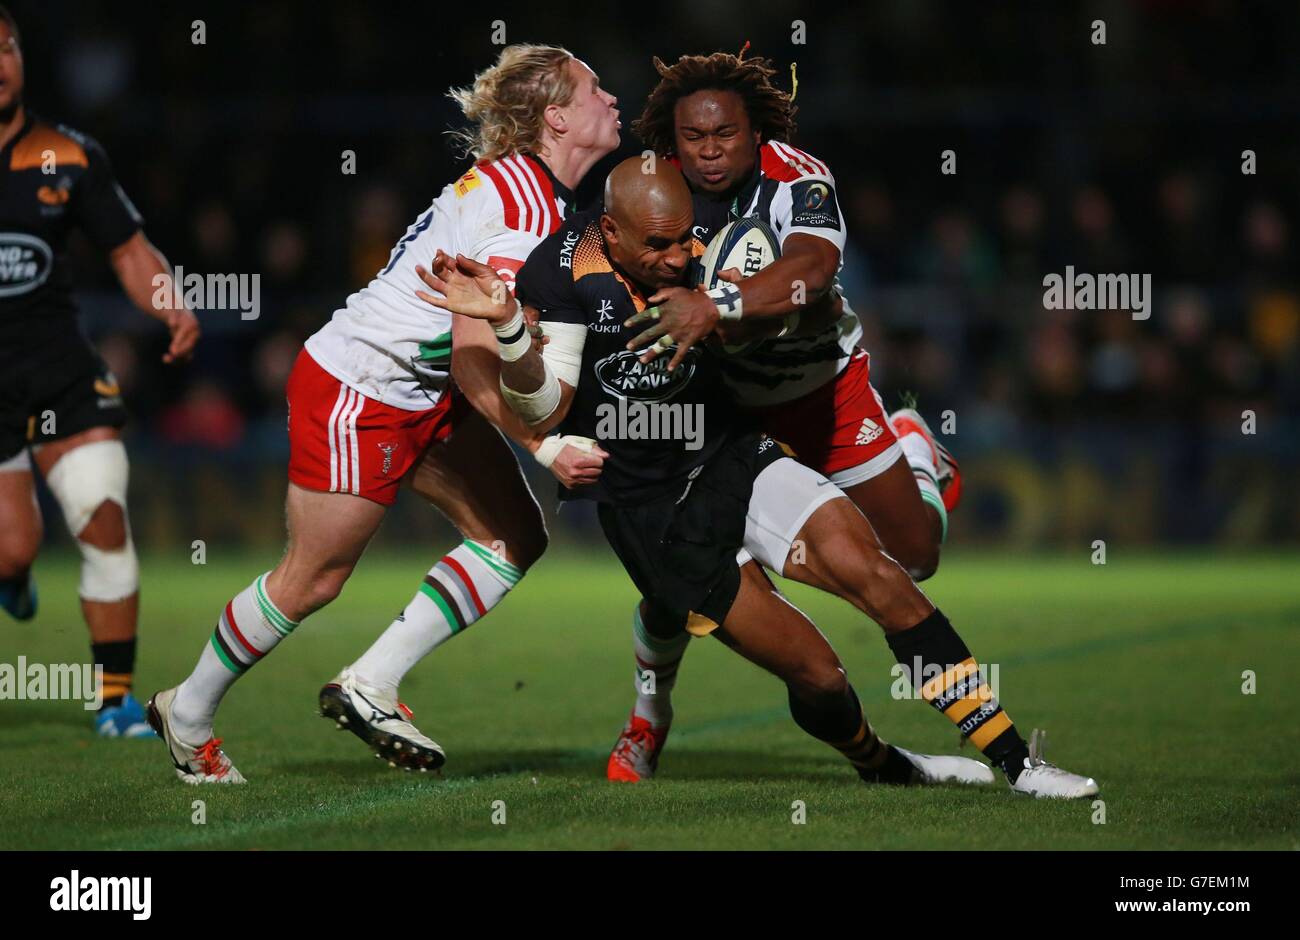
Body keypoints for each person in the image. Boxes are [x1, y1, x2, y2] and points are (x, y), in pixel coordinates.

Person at [424, 157, 1097, 797]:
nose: (677, 255)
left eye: (684, 238)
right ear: (610, 231)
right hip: (650, 512)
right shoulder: (562, 267)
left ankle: (1018, 763)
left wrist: (768, 309)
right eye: (657, 245)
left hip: (731, 455)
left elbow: (800, 287)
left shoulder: (710, 247)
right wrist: (511, 328)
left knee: (881, 576)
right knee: (821, 676)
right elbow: (548, 404)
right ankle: (883, 763)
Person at [146, 44, 620, 783]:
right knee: (312, 580)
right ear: (557, 117)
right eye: (596, 89)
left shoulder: (531, 194)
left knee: (515, 536)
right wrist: (543, 444)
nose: (613, 99)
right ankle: (189, 712)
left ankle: (371, 683)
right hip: (362, 385)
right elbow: (471, 357)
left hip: (423, 388)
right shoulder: (524, 212)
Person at [605, 51, 968, 776]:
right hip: (723, 414)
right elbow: (596, 257)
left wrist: (716, 306)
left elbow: (809, 272)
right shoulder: (656, 188)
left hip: (821, 394)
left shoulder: (797, 177)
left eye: (725, 135)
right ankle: (647, 718)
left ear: (754, 130)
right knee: (685, 573)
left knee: (916, 559)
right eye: (692, 138)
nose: (708, 153)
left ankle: (914, 448)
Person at [0, 6, 200, 737]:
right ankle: (13, 575)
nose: (1, 62)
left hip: (60, 371)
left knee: (103, 510)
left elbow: (127, 248)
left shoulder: (69, 155)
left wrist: (171, 305)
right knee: (12, 546)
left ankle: (115, 699)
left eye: (9, 47)